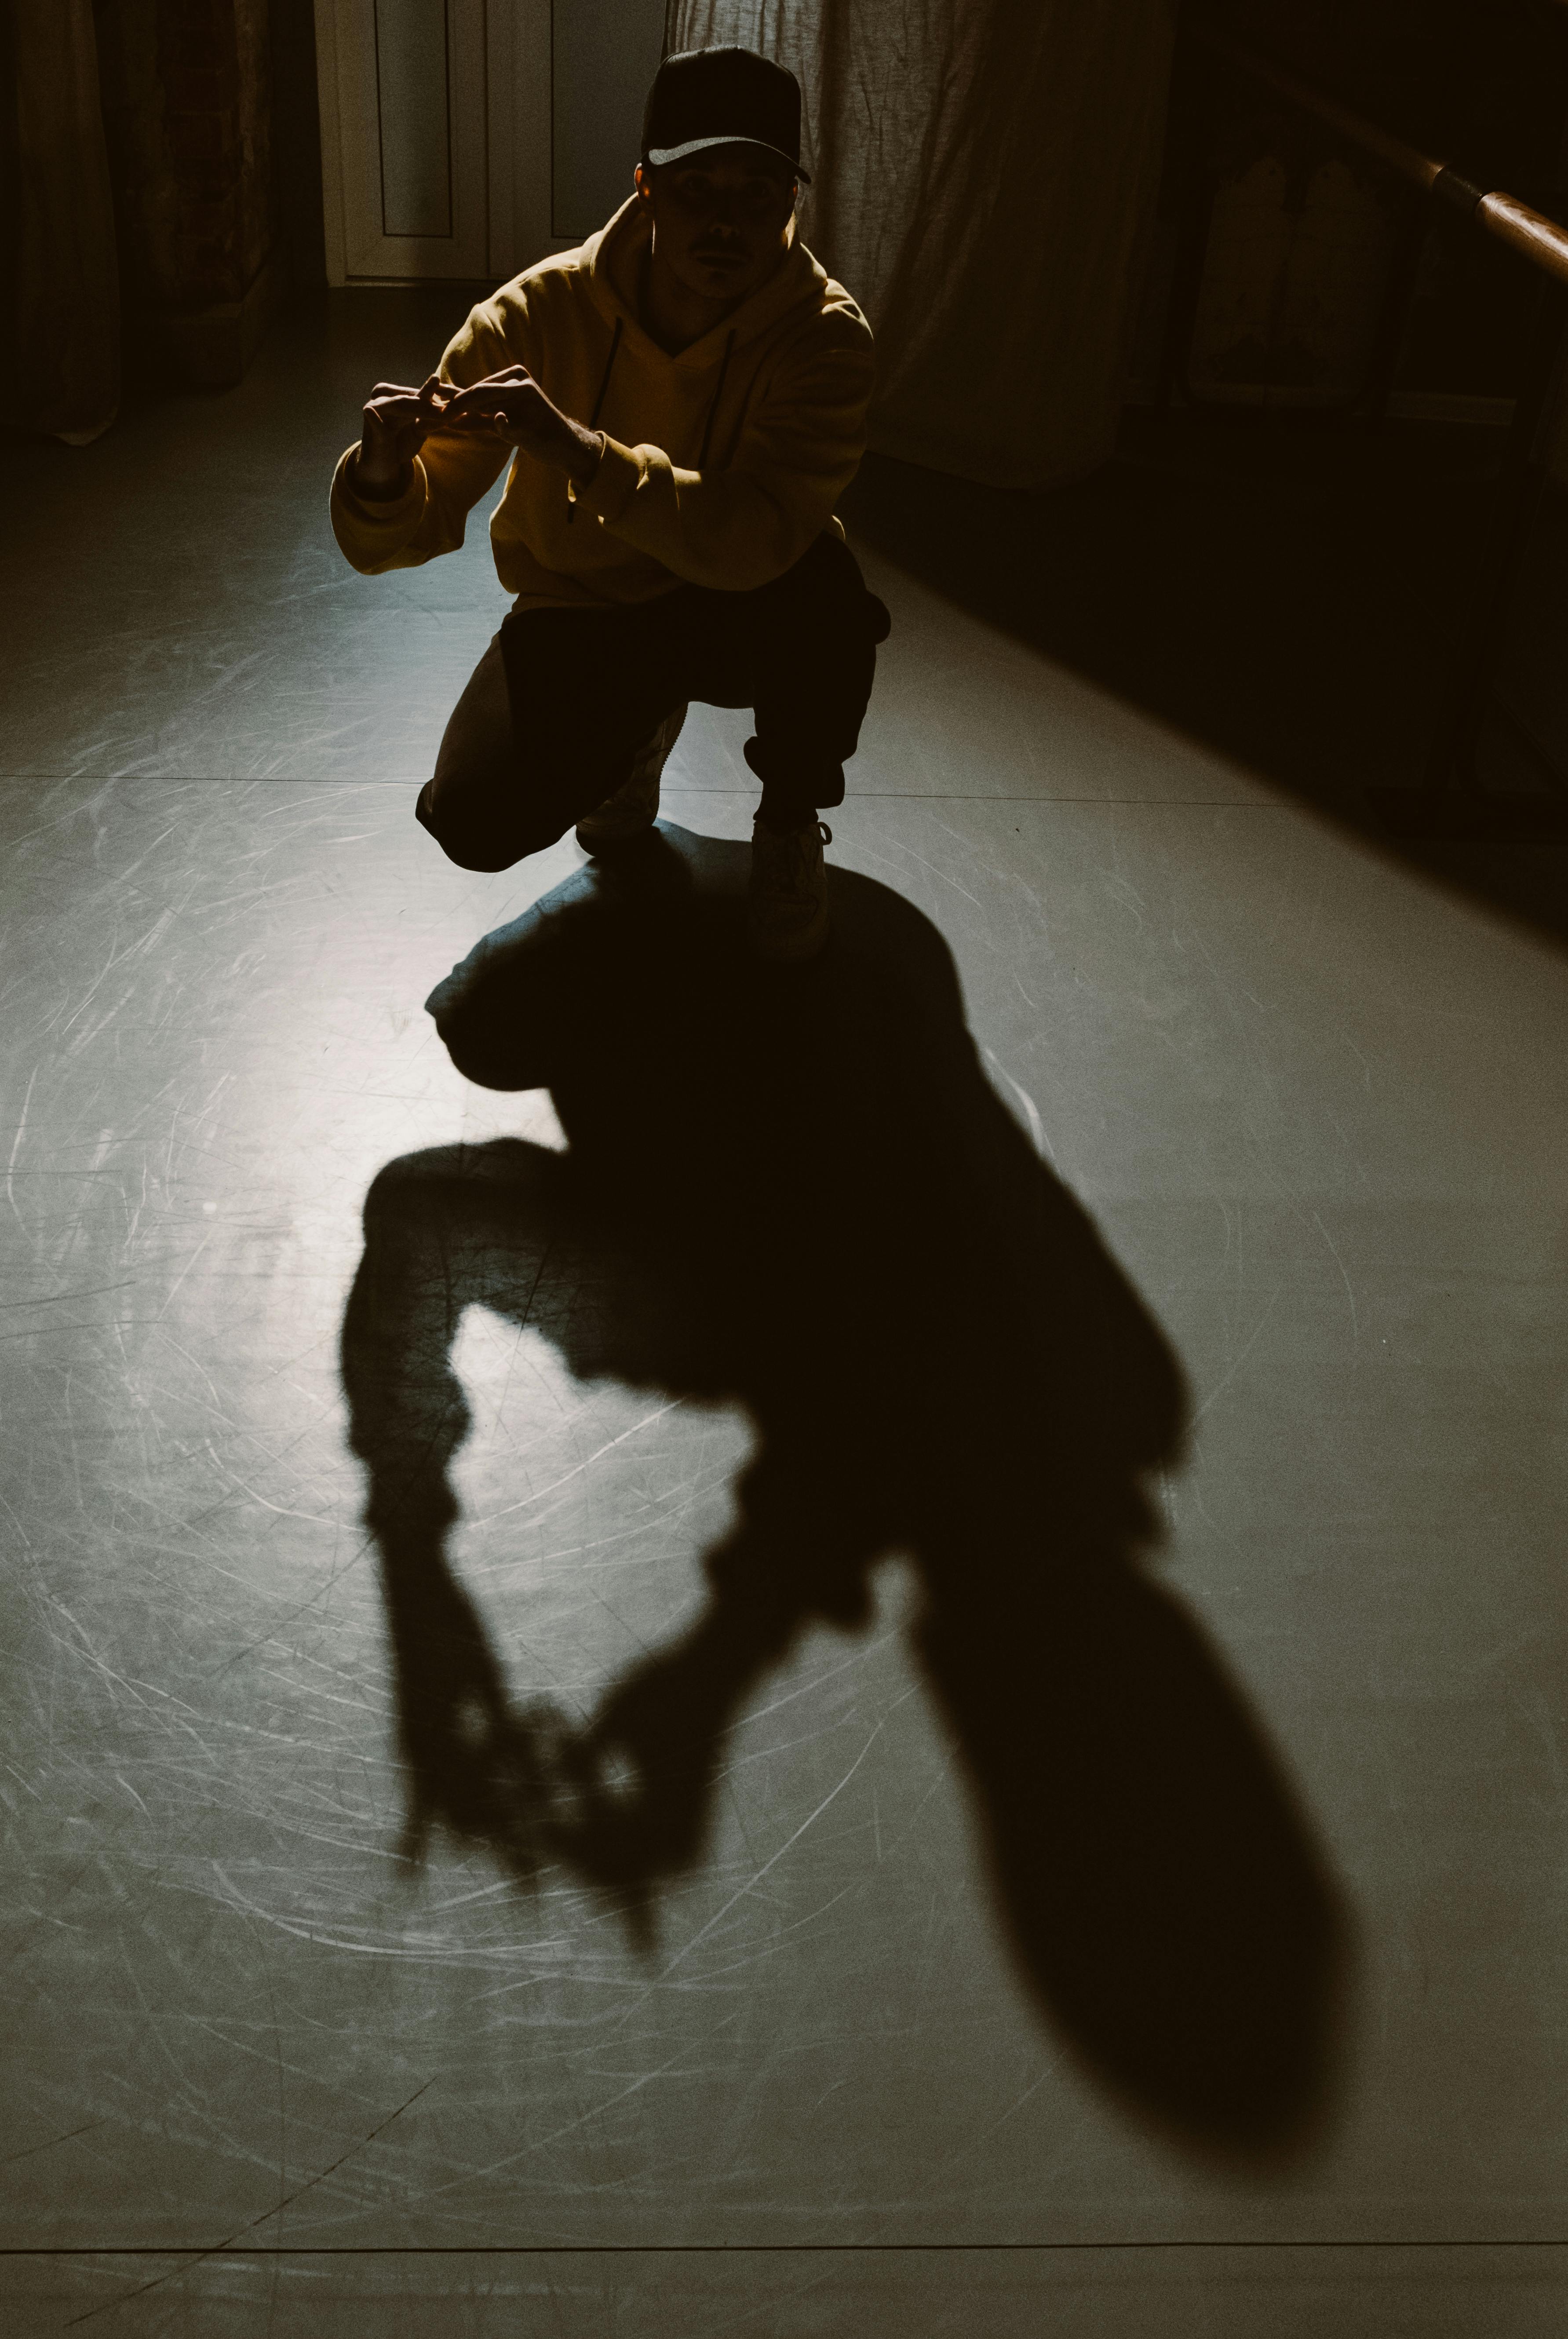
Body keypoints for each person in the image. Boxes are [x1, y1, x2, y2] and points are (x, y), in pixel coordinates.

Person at [328, 44, 890, 961]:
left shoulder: (824, 336)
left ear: (792, 200)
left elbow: (756, 537)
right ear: (644, 187)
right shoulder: (535, 314)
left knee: (823, 596)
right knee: (472, 822)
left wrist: (578, 451)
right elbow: (400, 534)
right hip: (586, 603)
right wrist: (385, 475)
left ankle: (788, 818)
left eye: (758, 194)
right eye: (696, 188)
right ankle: (634, 735)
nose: (726, 223)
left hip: (738, 603)